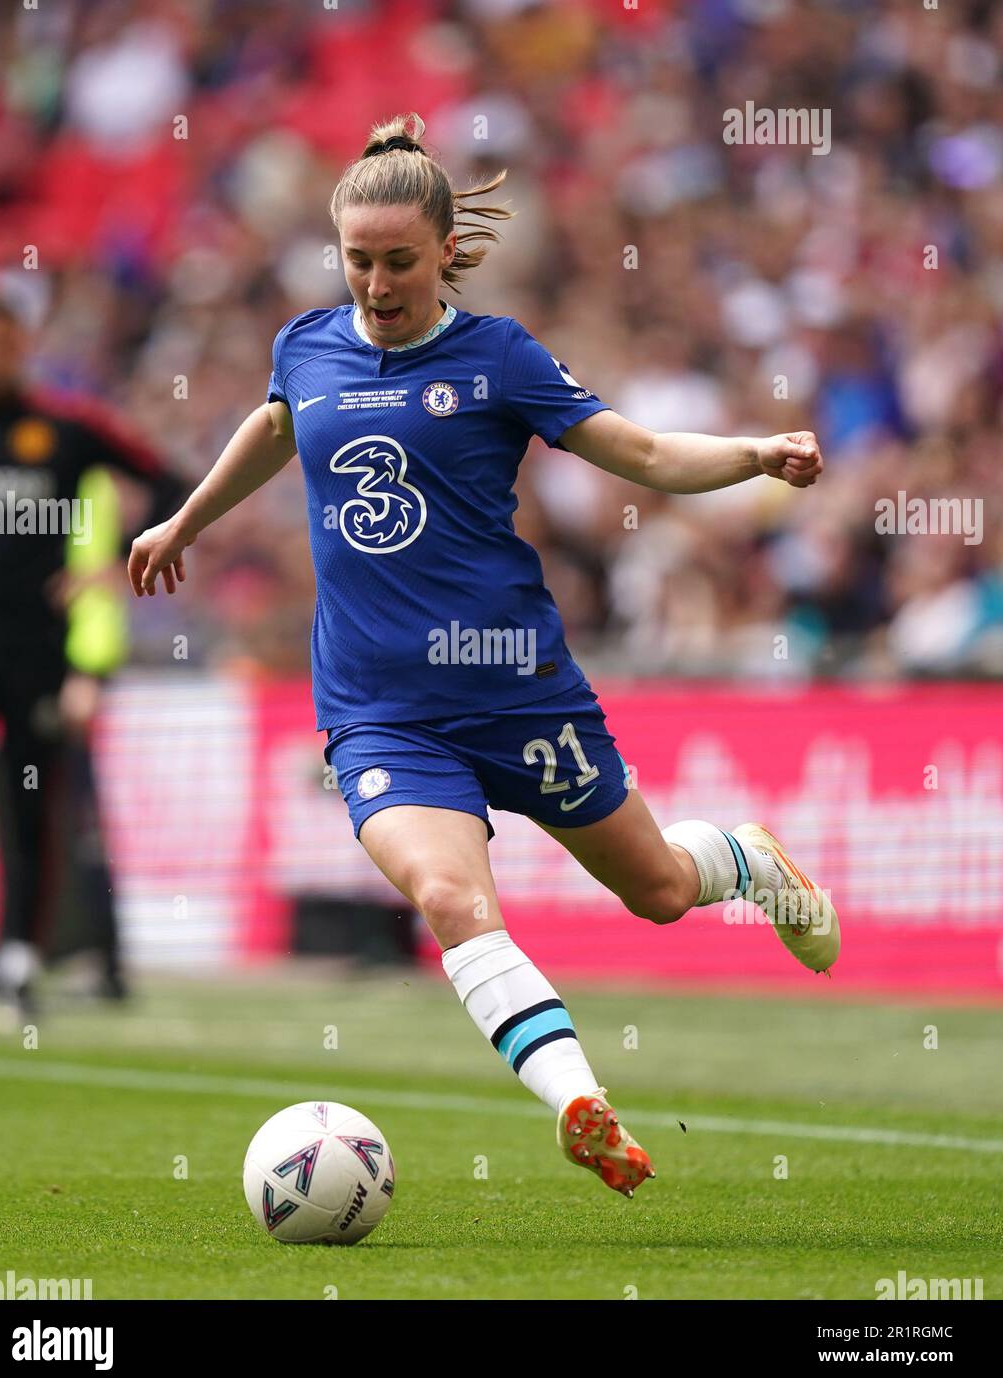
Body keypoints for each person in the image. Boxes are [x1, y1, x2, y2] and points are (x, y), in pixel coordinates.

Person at [128, 113, 840, 1200]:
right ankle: (581, 1104)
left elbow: (641, 451)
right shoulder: (306, 346)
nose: (375, 282)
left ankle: (745, 862)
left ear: (447, 248)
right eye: (358, 260)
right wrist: (187, 520)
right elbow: (275, 427)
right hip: (380, 711)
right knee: (454, 900)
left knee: (654, 887)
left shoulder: (499, 356)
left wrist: (755, 451)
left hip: (519, 690)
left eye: (399, 261)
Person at [0, 294, 187, 1020]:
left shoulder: (62, 431)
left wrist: (119, 559)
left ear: (19, 346)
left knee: (30, 813)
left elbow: (169, 481)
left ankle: (16, 970)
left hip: (36, 655)